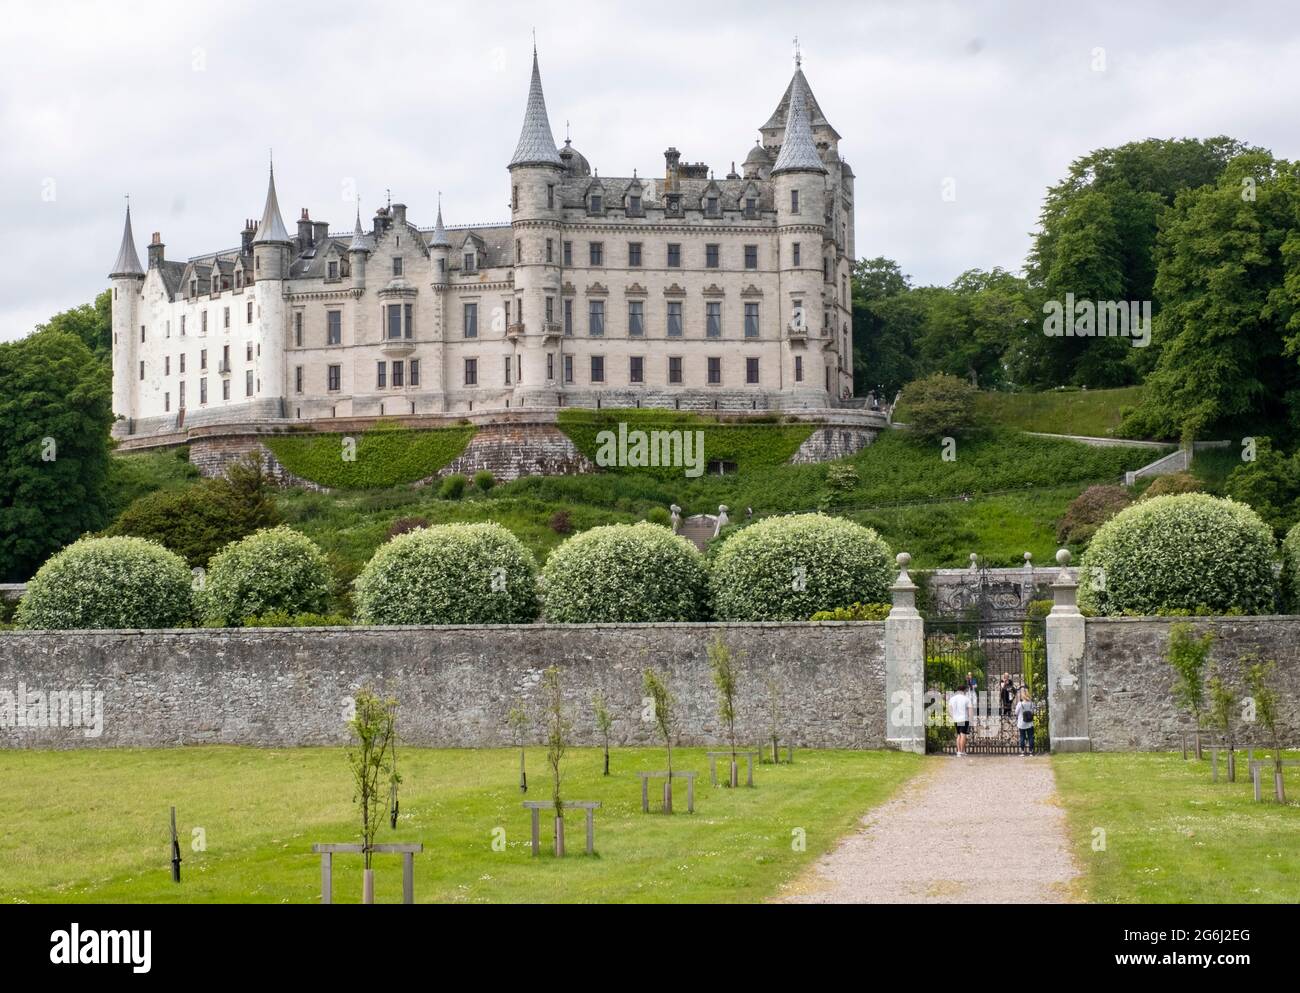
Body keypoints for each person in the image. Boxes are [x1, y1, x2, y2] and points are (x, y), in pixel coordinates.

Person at [948, 684, 971, 757]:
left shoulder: (952, 699)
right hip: (964, 718)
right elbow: (970, 710)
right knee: (963, 734)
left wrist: (953, 716)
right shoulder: (966, 699)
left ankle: (959, 751)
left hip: (956, 719)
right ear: (964, 690)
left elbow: (949, 709)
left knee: (958, 735)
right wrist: (970, 718)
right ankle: (961, 751)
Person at [1014, 687, 1036, 756]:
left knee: (1022, 737)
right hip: (1029, 723)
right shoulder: (1031, 703)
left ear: (1022, 695)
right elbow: (1033, 711)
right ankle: (1031, 752)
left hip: (1021, 723)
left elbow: (1016, 713)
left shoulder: (1020, 704)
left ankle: (1022, 752)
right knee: (1030, 737)